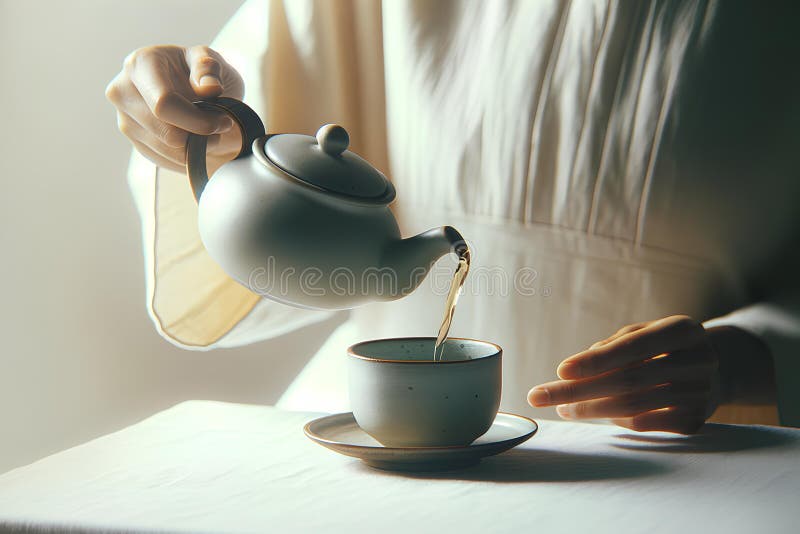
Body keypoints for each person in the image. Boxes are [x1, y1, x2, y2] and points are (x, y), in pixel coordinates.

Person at [106, 0, 799, 433]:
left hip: (682, 462)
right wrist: (195, 135)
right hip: (375, 453)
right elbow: (257, 212)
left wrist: (753, 360)